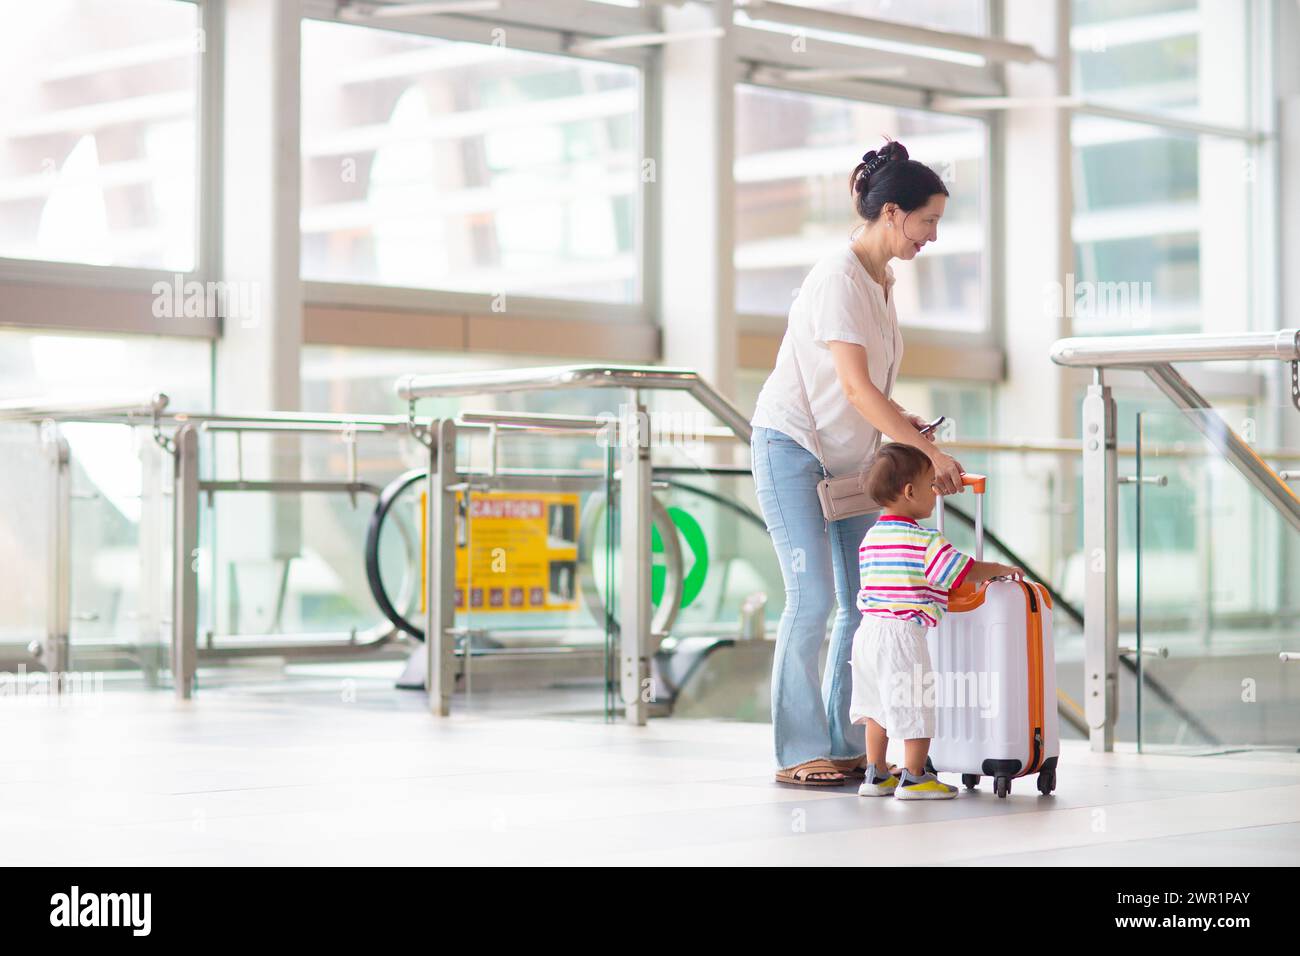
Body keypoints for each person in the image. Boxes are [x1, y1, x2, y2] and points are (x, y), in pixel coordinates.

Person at [751, 138, 966, 786]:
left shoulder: (882, 282)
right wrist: (926, 451)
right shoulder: (839, 276)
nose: (933, 235)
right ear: (893, 213)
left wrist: (909, 426)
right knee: (811, 598)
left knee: (864, 601)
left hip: (849, 458)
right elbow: (852, 388)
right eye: (928, 220)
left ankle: (847, 741)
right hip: (791, 448)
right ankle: (797, 750)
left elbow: (867, 388)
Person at [850, 444, 1022, 800]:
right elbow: (961, 573)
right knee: (916, 704)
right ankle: (914, 777)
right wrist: (1000, 570)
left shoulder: (870, 538)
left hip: (867, 631)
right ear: (909, 491)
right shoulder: (924, 540)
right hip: (901, 634)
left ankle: (876, 772)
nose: (935, 492)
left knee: (877, 705)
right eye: (931, 484)